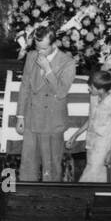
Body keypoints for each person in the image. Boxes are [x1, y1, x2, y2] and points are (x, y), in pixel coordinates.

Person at [17, 27, 77, 182]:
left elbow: (62, 92)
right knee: (28, 164)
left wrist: (48, 69)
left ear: (54, 44)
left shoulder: (68, 62)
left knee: (51, 167)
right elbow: (25, 86)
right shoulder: (31, 56)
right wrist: (20, 116)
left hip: (52, 121)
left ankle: (50, 200)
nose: (40, 52)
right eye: (37, 48)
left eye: (44, 48)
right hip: (31, 118)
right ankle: (24, 198)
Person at [78, 70, 111, 183]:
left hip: (104, 146)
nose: (89, 90)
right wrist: (75, 136)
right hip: (91, 143)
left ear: (101, 90)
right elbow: (91, 120)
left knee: (90, 175)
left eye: (91, 87)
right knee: (98, 177)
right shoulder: (94, 98)